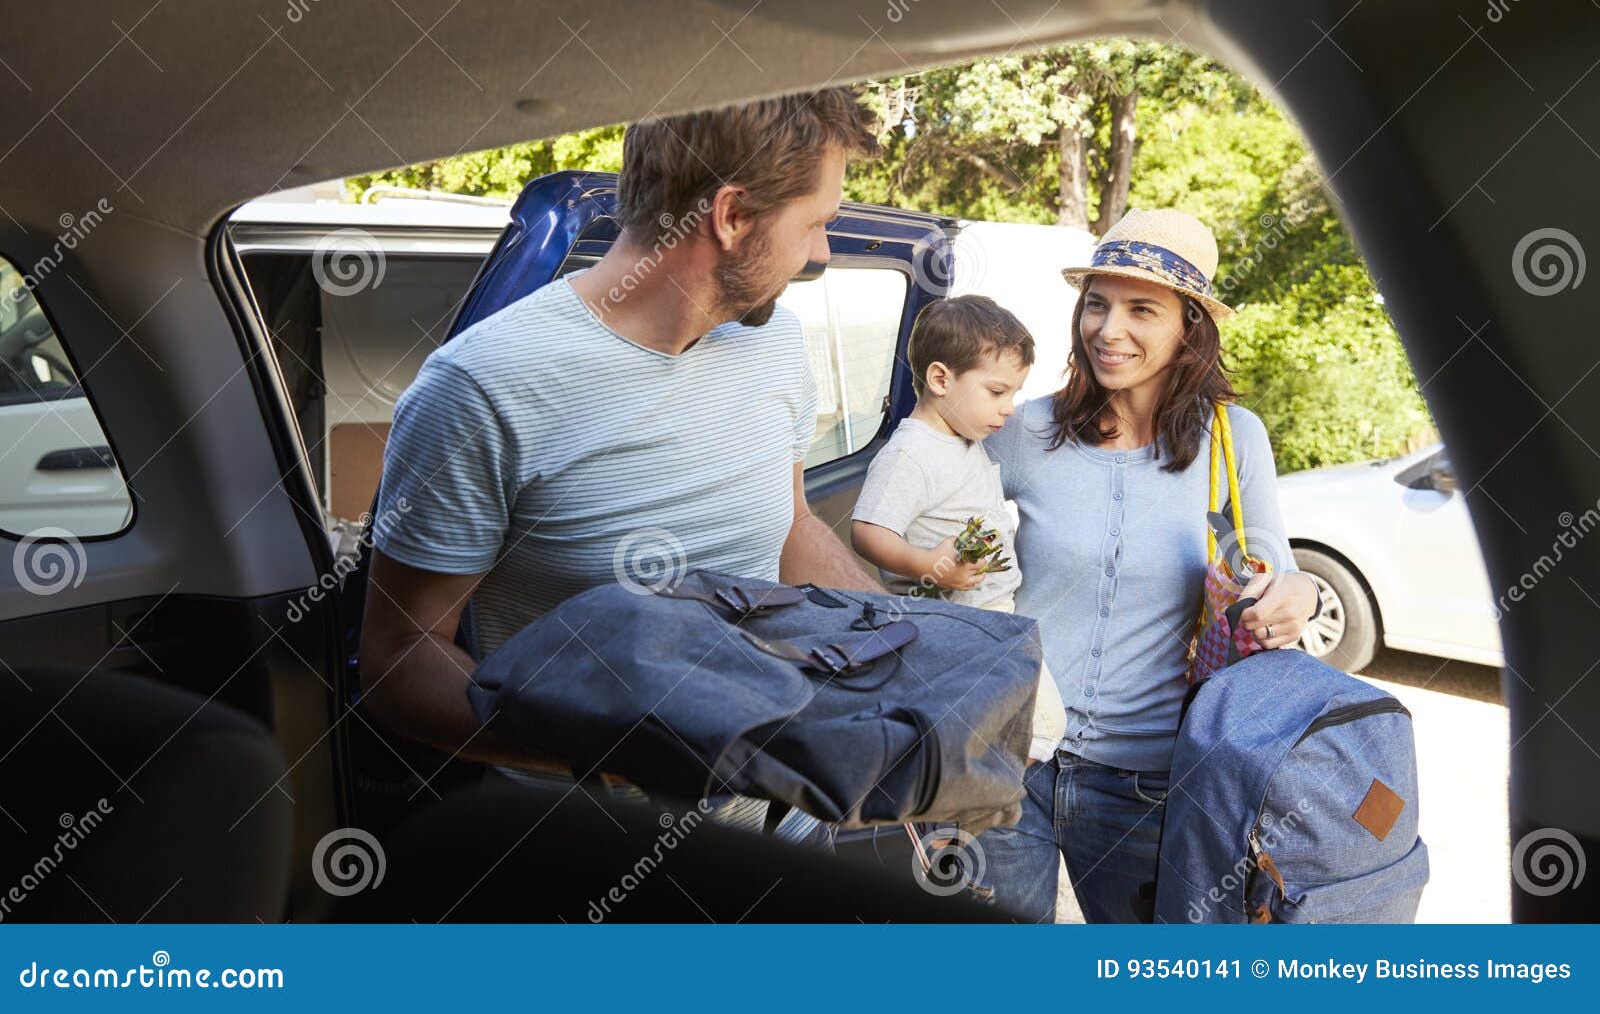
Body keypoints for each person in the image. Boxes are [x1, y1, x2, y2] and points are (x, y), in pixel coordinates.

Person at [358, 89, 884, 825]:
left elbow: (790, 526)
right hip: (599, 859)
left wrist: (912, 649)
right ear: (732, 216)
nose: (821, 253)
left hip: (786, 832)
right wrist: (620, 753)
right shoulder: (484, 386)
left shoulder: (776, 341)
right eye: (818, 224)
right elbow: (399, 660)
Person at [978, 208, 1322, 922]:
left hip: (1152, 783)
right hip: (1014, 758)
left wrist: (1300, 594)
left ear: (1189, 326)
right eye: (1097, 304)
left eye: (1141, 309)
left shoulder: (1233, 438)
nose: (1109, 329)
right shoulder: (1025, 429)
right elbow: (936, 500)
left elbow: (1277, 571)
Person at [850, 295, 1067, 764]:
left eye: (1013, 393)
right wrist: (929, 565)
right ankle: (961, 802)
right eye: (996, 392)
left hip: (990, 612)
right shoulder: (911, 453)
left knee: (1018, 727)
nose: (1009, 408)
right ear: (941, 379)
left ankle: (956, 789)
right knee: (1045, 728)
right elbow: (867, 530)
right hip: (961, 616)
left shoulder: (961, 439)